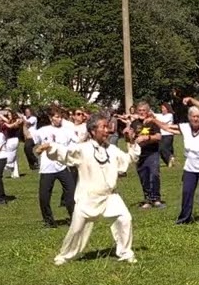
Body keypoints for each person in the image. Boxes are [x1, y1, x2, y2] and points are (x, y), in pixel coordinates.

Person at [36, 114, 140, 265]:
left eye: (107, 126)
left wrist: (132, 142)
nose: (107, 130)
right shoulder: (83, 149)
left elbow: (129, 159)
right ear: (92, 131)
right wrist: (50, 147)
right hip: (88, 198)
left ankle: (125, 252)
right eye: (103, 127)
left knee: (125, 219)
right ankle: (65, 255)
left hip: (110, 196)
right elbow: (66, 153)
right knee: (77, 229)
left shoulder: (112, 149)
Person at [34, 107, 77, 227]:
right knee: (44, 196)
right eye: (57, 117)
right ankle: (48, 220)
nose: (59, 119)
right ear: (50, 118)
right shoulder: (43, 130)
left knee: (71, 192)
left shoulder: (67, 131)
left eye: (61, 117)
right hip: (47, 168)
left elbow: (77, 144)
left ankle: (74, 218)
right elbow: (32, 142)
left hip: (62, 166)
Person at [127, 102, 165, 208]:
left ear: (148, 111)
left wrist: (146, 138)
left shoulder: (152, 122)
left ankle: (156, 198)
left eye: (144, 110)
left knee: (154, 174)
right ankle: (147, 199)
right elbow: (131, 139)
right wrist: (129, 136)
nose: (142, 112)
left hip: (152, 152)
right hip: (140, 154)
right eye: (140, 110)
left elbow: (158, 137)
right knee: (143, 176)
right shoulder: (134, 123)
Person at [155, 102, 176, 168]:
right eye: (161, 108)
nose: (162, 109)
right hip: (162, 135)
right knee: (160, 150)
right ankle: (169, 162)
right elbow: (154, 115)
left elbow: (163, 121)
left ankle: (170, 157)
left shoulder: (170, 115)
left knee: (163, 148)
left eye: (164, 108)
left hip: (168, 135)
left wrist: (155, 120)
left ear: (167, 109)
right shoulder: (160, 115)